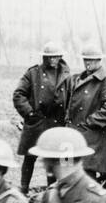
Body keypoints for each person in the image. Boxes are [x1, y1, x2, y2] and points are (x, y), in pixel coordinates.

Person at [13, 41, 70, 193]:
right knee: (30, 156)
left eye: (56, 56)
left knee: (52, 158)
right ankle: (23, 188)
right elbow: (19, 94)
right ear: (44, 57)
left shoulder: (66, 75)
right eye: (49, 57)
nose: (53, 60)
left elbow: (71, 98)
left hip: (56, 123)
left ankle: (50, 190)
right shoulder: (33, 73)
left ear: (60, 57)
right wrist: (30, 113)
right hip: (37, 121)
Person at [62, 43, 106, 183]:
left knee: (86, 176)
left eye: (92, 60)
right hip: (73, 133)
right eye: (85, 60)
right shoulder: (78, 78)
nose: (87, 63)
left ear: (99, 60)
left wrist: (90, 122)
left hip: (91, 136)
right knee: (67, 170)